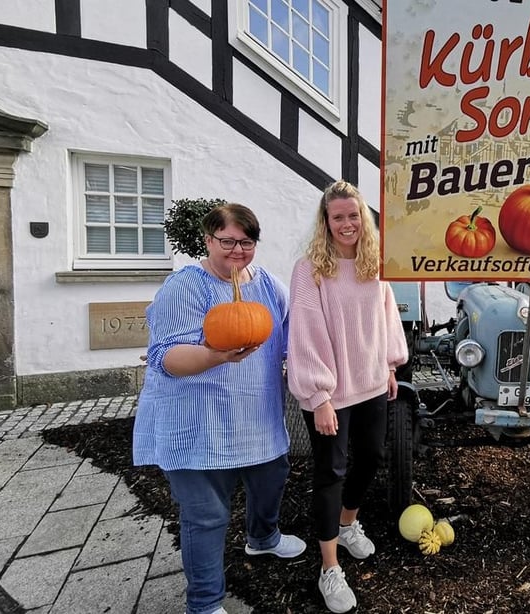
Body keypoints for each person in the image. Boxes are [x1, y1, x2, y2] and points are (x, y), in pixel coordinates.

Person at [133, 203, 306, 614]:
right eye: (227, 241)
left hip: (256, 418)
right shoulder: (184, 288)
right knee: (206, 514)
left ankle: (262, 539)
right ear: (208, 240)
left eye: (246, 242)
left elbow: (293, 336)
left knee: (272, 479)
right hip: (195, 424)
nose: (237, 250)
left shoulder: (268, 286)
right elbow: (166, 358)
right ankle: (205, 603)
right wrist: (214, 355)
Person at [286, 180, 409, 613]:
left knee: (373, 456)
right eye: (337, 216)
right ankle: (329, 567)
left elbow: (386, 314)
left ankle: (349, 523)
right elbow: (304, 333)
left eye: (353, 215)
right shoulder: (310, 270)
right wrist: (319, 396)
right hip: (330, 393)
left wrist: (391, 364)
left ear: (363, 218)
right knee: (330, 473)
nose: (347, 223)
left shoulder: (373, 262)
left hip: (372, 383)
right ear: (326, 221)